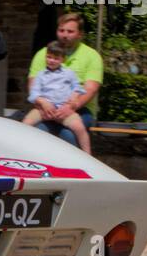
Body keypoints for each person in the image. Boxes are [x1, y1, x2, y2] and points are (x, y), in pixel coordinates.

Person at [25, 12, 103, 148]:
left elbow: (90, 89)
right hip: (46, 107)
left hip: (79, 108)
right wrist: (42, 105)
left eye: (70, 31)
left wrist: (71, 106)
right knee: (37, 132)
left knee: (68, 135)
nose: (65, 35)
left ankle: (79, 165)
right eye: (61, 30)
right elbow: (33, 86)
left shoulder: (92, 56)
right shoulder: (43, 54)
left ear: (80, 34)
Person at [22, 41, 91, 153]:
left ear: (63, 59)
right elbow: (33, 94)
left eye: (56, 58)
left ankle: (88, 154)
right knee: (25, 124)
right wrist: (42, 101)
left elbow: (78, 87)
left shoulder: (69, 73)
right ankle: (21, 150)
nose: (51, 61)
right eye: (49, 57)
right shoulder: (41, 75)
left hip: (63, 109)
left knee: (80, 128)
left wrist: (74, 96)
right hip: (44, 110)